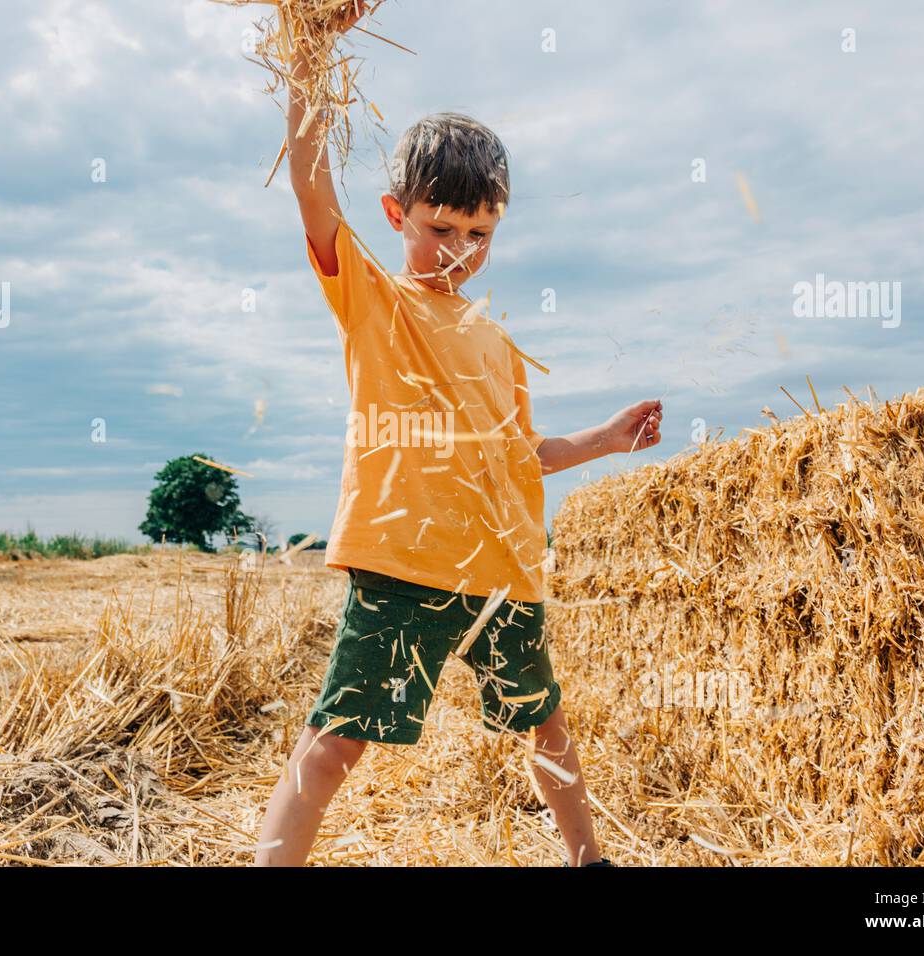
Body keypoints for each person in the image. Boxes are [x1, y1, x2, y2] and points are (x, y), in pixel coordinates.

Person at [255, 2, 662, 866]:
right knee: (336, 744)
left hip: (504, 569)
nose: (459, 251)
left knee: (546, 723)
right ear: (396, 212)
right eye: (441, 228)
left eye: (480, 235)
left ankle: (590, 861)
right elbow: (308, 182)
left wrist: (606, 439)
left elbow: (523, 454)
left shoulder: (496, 337)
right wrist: (312, 51)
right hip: (405, 563)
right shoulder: (373, 298)